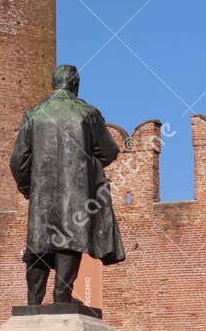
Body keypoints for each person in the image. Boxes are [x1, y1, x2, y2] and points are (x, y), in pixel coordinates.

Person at [9, 64, 124, 305]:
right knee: (68, 239)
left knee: (39, 243)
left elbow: (18, 159)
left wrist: (27, 187)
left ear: (53, 84)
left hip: (41, 193)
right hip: (77, 191)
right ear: (75, 85)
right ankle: (62, 295)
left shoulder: (35, 114)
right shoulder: (87, 113)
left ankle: (33, 301)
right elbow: (109, 151)